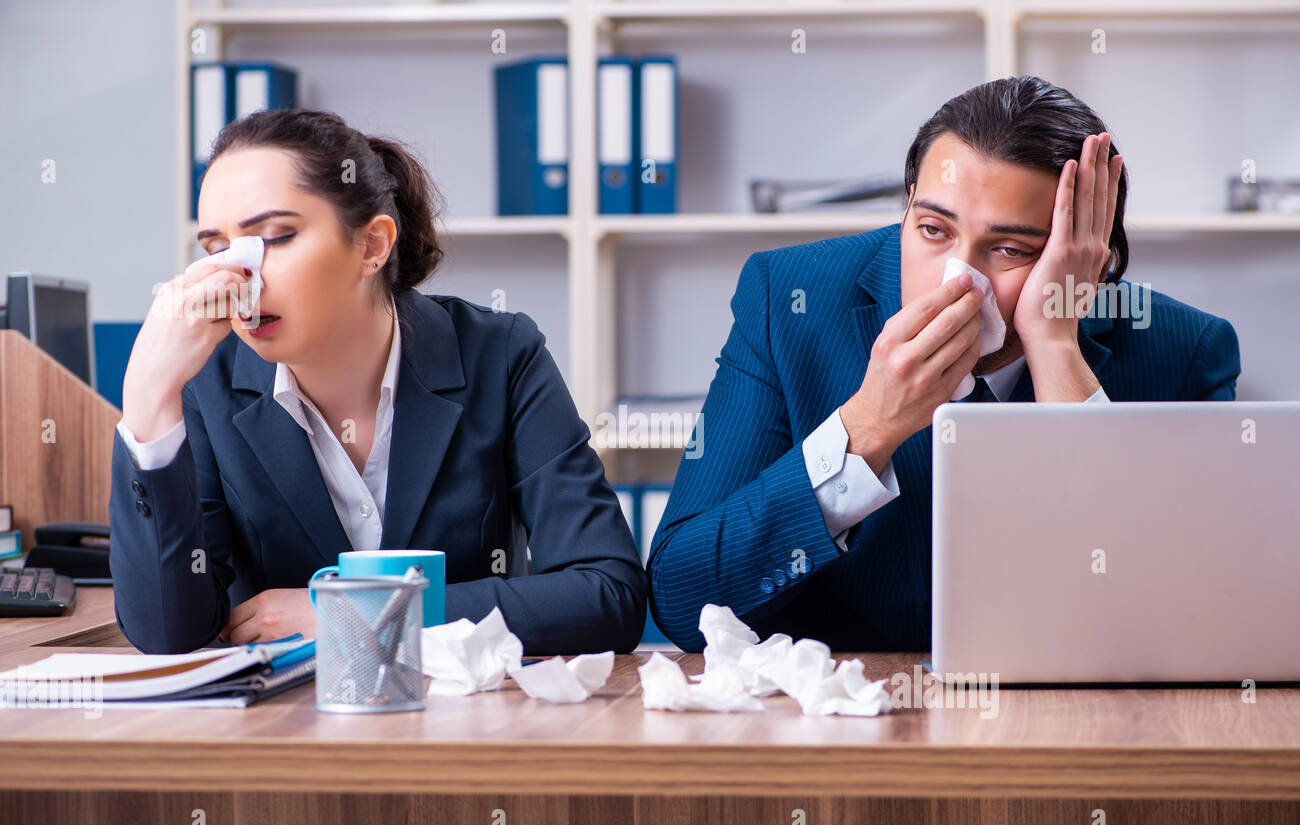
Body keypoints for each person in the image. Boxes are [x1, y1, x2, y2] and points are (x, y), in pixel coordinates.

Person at [647, 76, 1241, 653]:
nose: (958, 280)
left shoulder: (1186, 350)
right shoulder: (789, 301)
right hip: (845, 726)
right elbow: (682, 603)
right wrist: (867, 430)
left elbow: (1186, 625)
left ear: (1088, 255)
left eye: (1010, 249)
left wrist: (1056, 345)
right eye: (933, 229)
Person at [111, 108, 646, 655]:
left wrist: (362, 612)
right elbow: (166, 633)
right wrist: (148, 401)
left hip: (470, 724)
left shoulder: (500, 354)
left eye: (274, 237)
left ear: (372, 246)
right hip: (286, 729)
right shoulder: (207, 386)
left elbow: (607, 595)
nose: (238, 278)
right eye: (217, 250)